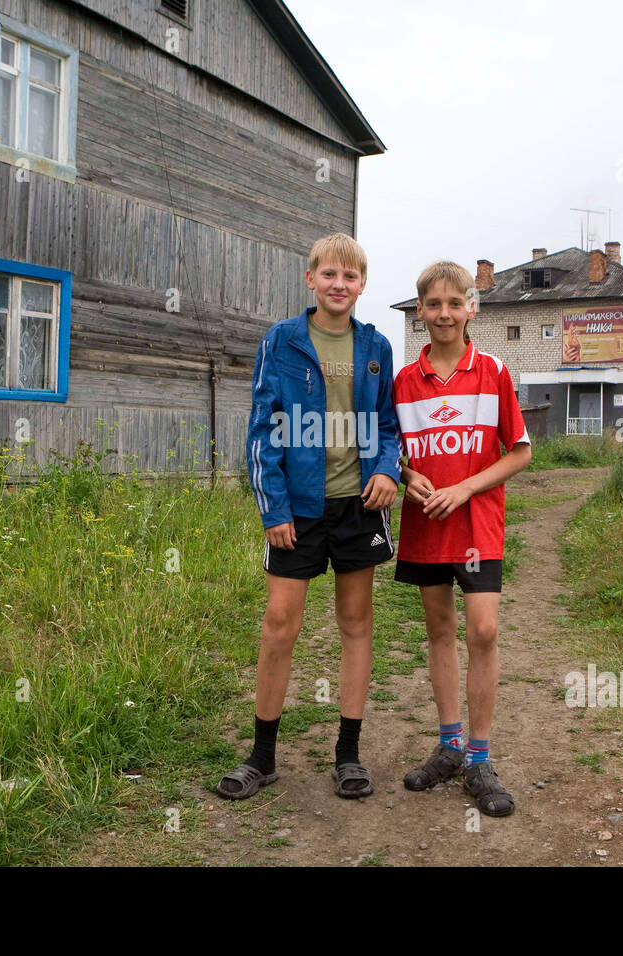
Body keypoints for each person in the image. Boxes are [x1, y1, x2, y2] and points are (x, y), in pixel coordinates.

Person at [216, 233, 403, 801]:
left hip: (357, 507)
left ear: (362, 285)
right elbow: (262, 430)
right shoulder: (282, 341)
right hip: (296, 510)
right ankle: (262, 757)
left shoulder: (376, 347)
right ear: (311, 280)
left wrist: (388, 471)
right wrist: (272, 506)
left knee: (356, 624)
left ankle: (347, 754)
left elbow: (389, 426)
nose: (339, 284)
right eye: (329, 275)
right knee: (279, 625)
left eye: (350, 277)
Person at [394, 261, 532, 817]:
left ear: (472, 308)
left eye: (457, 303)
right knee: (439, 629)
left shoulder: (494, 372)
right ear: (420, 311)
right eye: (434, 304)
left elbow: (520, 452)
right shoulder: (404, 381)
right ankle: (450, 745)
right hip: (427, 522)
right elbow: (390, 453)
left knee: (484, 628)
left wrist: (466, 488)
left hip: (478, 525)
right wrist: (407, 476)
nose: (445, 313)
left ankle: (480, 756)